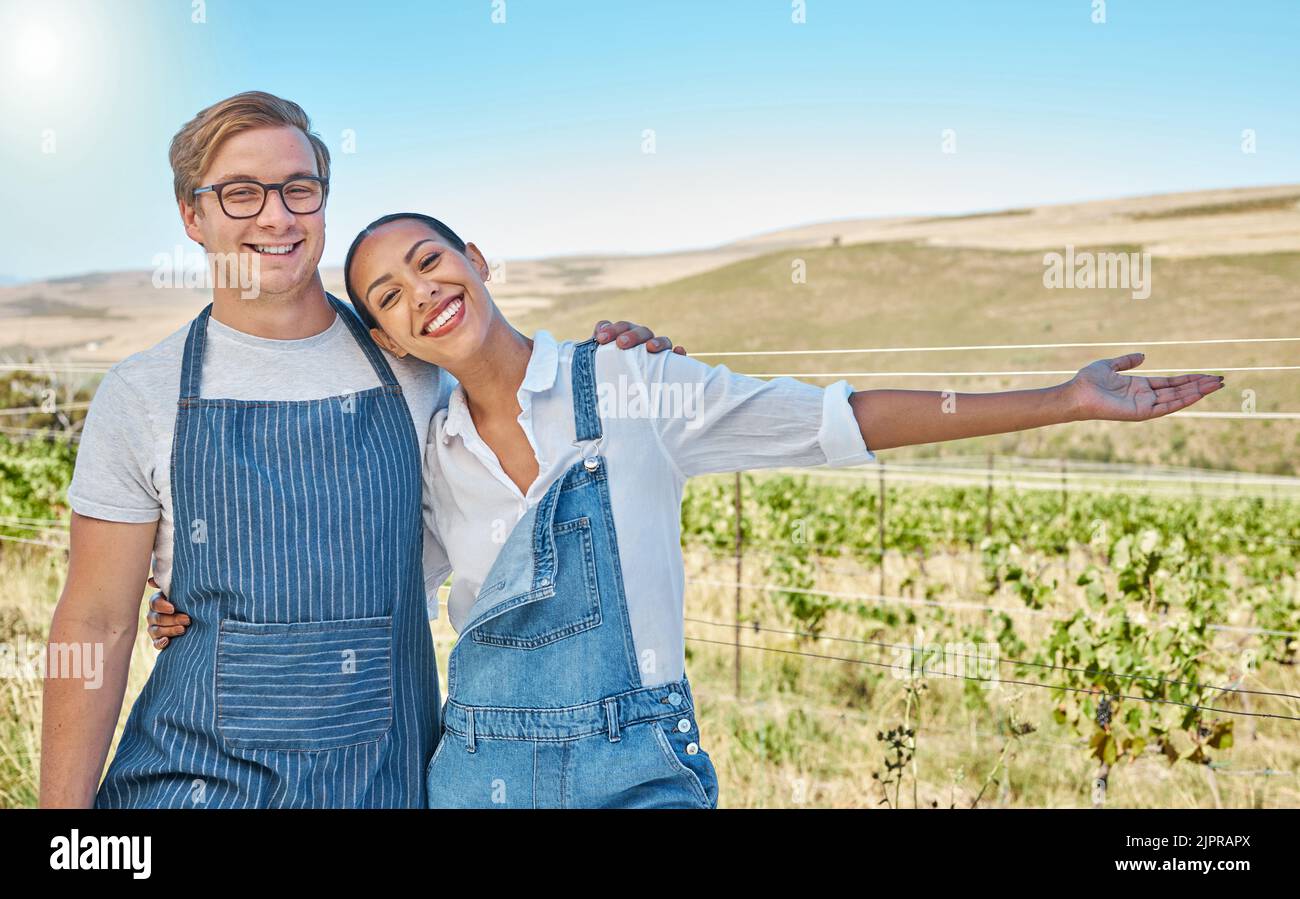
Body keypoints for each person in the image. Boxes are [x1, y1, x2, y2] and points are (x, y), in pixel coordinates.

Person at [334, 212, 1220, 808]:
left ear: (475, 262)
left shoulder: (631, 379)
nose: (421, 292)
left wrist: (1062, 398)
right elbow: (363, 595)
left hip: (637, 764)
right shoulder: (426, 454)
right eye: (387, 295)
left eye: (429, 261)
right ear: (387, 338)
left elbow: (836, 418)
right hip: (480, 767)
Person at [38, 92, 675, 809]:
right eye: (240, 194)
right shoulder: (142, 394)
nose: (276, 217)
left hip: (382, 782)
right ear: (193, 214)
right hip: (192, 781)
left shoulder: (417, 369)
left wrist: (623, 365)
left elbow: (532, 433)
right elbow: (96, 619)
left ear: (321, 201)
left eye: (297, 190)